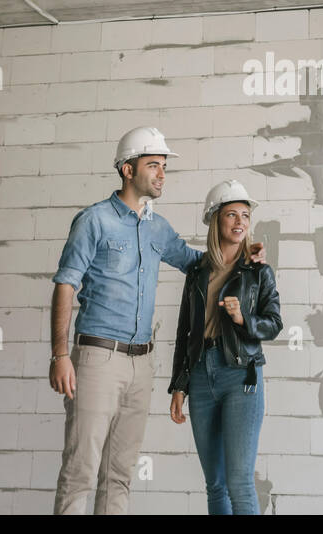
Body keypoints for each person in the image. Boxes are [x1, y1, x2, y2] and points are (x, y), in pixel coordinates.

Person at [48, 128, 263, 514]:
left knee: (119, 475)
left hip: (141, 363)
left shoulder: (157, 228)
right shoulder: (94, 221)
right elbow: (65, 284)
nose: (162, 174)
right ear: (128, 170)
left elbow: (200, 263)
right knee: (81, 470)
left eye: (164, 167)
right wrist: (59, 355)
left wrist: (244, 254)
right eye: (154, 166)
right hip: (97, 357)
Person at [168, 180, 281, 515]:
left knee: (240, 482)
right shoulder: (198, 271)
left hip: (241, 377)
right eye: (231, 214)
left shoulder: (258, 271)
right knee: (215, 484)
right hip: (202, 377)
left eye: (245, 215)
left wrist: (244, 318)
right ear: (215, 220)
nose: (239, 222)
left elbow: (274, 323)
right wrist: (179, 385)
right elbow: (185, 331)